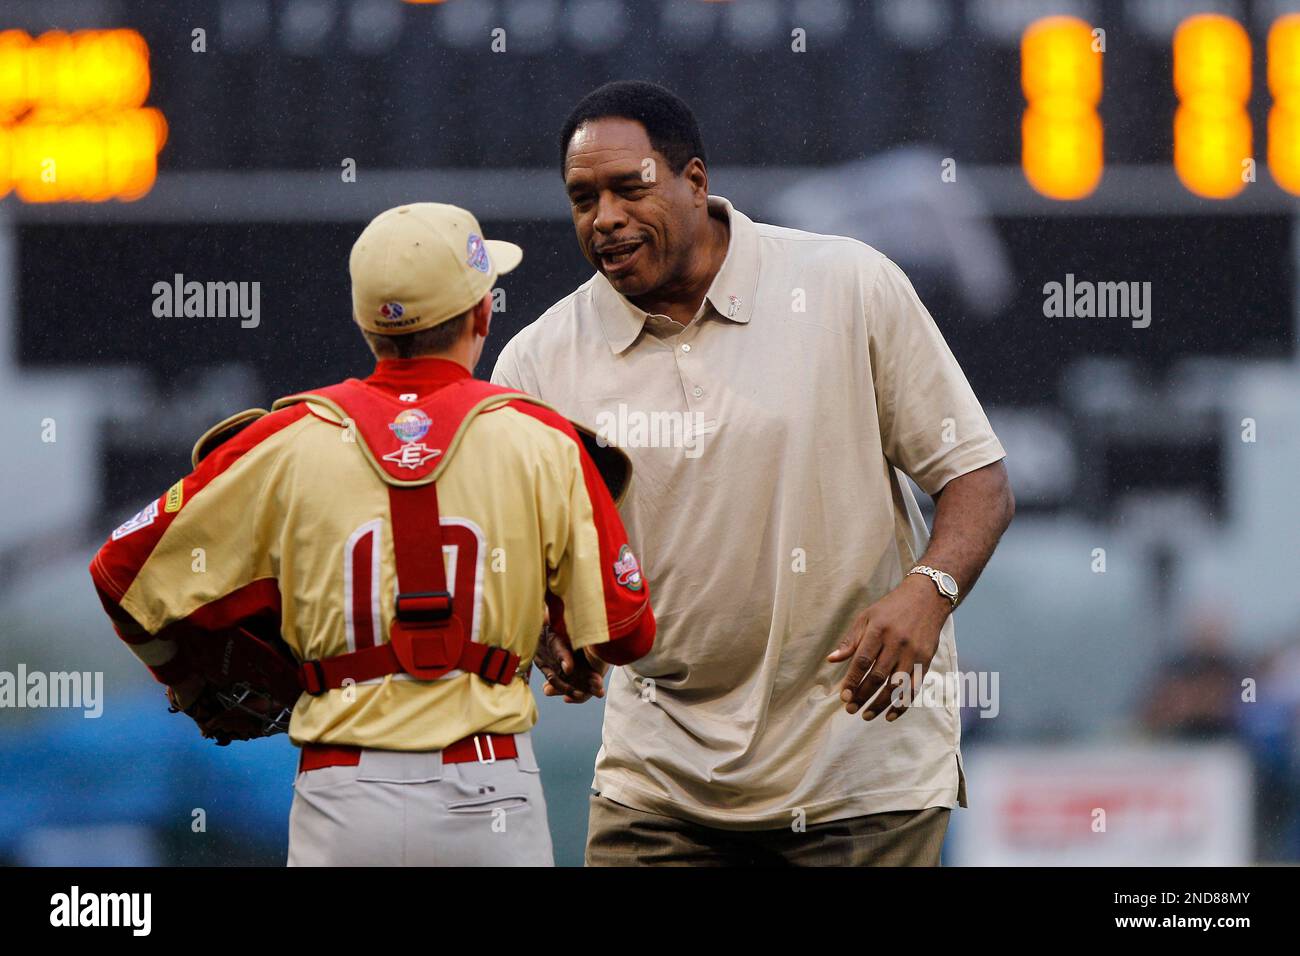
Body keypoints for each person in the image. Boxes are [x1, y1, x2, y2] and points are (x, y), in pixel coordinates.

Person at [493, 81, 1015, 866]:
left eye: (629, 186)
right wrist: (545, 631)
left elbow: (978, 479)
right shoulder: (538, 359)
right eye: (582, 197)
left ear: (695, 182)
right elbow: (520, 553)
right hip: (659, 779)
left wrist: (928, 592)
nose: (604, 217)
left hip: (861, 772)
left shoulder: (846, 285)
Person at [89, 202, 655, 866]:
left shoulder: (283, 443)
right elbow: (626, 634)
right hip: (487, 787)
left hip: (343, 793)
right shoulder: (541, 440)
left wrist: (190, 677)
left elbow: (119, 572)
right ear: (482, 314)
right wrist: (557, 634)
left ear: (365, 324)